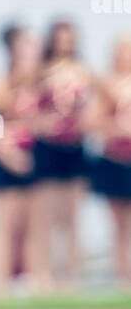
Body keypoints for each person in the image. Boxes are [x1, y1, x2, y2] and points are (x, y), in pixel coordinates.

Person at [30, 19, 97, 292]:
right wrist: (40, 123)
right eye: (60, 37)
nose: (65, 43)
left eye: (69, 38)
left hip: (75, 146)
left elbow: (96, 103)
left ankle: (70, 277)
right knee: (45, 216)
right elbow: (22, 104)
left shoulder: (85, 71)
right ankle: (43, 276)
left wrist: (87, 122)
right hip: (48, 147)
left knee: (72, 218)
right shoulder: (41, 72)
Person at [0, 25, 41, 295]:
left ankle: (33, 280)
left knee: (32, 224)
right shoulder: (2, 85)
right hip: (8, 160)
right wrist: (6, 152)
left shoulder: (42, 88)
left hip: (34, 159)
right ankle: (1, 282)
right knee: (7, 224)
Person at [94, 35, 131, 287]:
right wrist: (117, 129)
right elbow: (95, 121)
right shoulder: (107, 85)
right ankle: (123, 276)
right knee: (118, 224)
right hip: (115, 159)